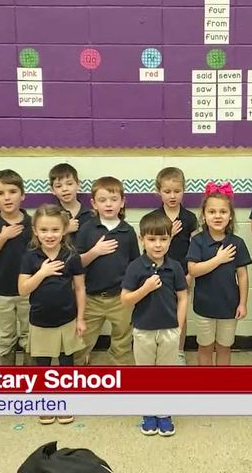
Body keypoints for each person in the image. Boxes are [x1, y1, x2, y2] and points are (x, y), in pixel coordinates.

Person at [18, 204, 87, 425]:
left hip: (67, 319)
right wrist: (42, 272)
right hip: (40, 321)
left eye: (55, 230)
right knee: (43, 364)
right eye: (44, 230)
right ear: (35, 230)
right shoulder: (30, 257)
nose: (50, 235)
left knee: (67, 362)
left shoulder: (71, 256)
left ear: (64, 230)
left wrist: (81, 318)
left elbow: (79, 289)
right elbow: (23, 289)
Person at [121, 212, 188, 436]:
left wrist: (178, 324)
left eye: (163, 239)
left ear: (170, 239)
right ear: (142, 239)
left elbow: (183, 296)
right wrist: (146, 288)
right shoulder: (135, 267)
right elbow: (125, 299)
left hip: (169, 330)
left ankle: (164, 413)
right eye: (152, 239)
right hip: (143, 330)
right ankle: (148, 413)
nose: (157, 244)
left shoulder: (176, 267)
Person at [73, 177, 140, 365]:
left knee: (122, 343)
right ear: (94, 203)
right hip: (91, 299)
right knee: (81, 342)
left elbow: (135, 264)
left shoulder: (128, 232)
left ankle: (119, 381)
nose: (108, 204)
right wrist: (95, 252)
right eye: (102, 200)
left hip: (120, 298)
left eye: (113, 199)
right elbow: (77, 263)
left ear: (122, 201)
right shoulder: (87, 229)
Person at [187, 182, 251, 366]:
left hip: (229, 307)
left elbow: (243, 276)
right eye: (212, 212)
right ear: (204, 216)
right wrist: (219, 259)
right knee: (205, 347)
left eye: (223, 212)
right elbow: (193, 270)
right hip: (204, 307)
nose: (217, 216)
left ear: (230, 216)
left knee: (224, 348)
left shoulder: (237, 243)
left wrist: (243, 303)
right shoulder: (198, 241)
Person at [0, 169, 33, 365]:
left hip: (30, 291)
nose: (7, 197)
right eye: (0, 194)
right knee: (4, 336)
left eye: (12, 191)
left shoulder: (33, 223)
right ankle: (8, 377)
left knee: (31, 334)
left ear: (23, 195)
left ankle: (30, 376)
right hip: (2, 292)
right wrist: (2, 237)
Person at [151, 167, 198, 364]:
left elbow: (195, 249)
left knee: (181, 313)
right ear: (158, 192)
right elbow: (149, 248)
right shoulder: (154, 218)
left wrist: (190, 275)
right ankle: (159, 349)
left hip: (184, 274)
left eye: (177, 191)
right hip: (158, 274)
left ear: (184, 191)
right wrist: (169, 233)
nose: (172, 196)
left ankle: (179, 350)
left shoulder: (189, 218)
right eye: (167, 191)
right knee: (158, 311)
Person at [48, 163, 95, 240]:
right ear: (52, 190)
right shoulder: (50, 215)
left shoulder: (90, 215)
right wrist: (65, 230)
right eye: (59, 186)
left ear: (78, 184)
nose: (65, 189)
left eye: (69, 184)